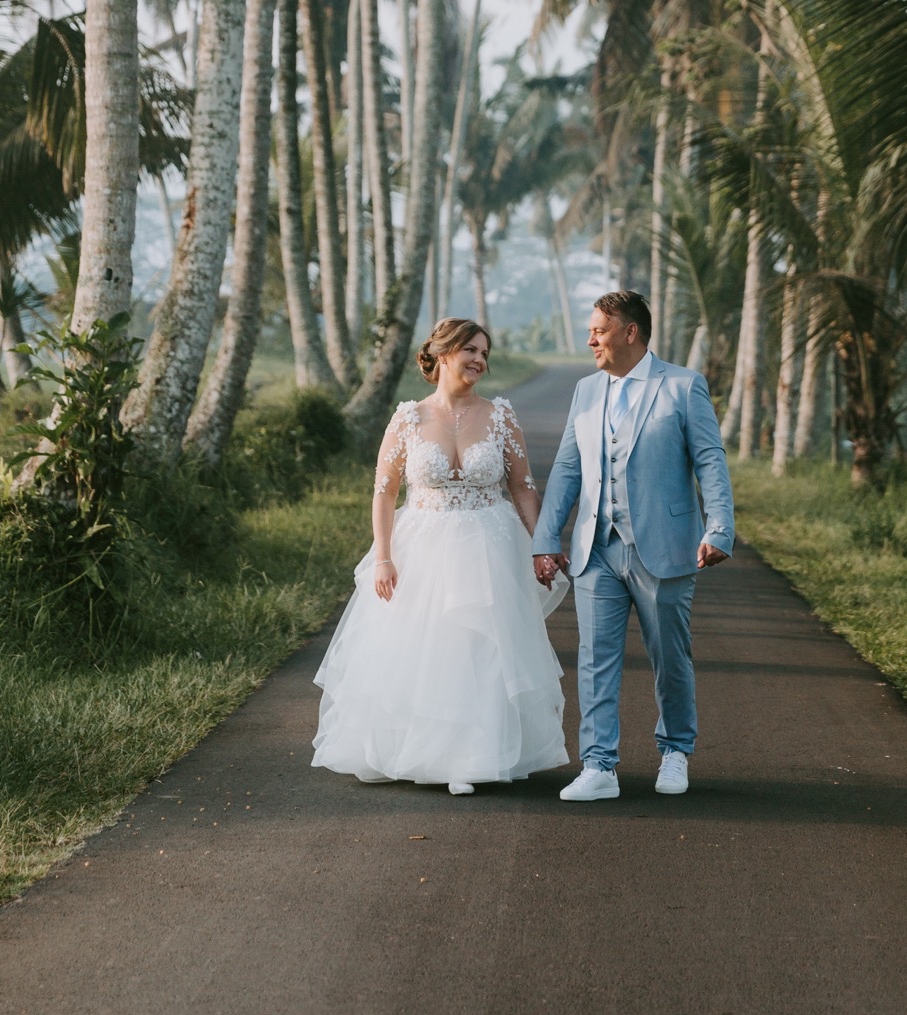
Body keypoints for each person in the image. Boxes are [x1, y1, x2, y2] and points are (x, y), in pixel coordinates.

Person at [312, 318, 568, 795]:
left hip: (490, 543)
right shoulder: (408, 417)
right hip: (423, 544)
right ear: (445, 354)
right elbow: (384, 493)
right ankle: (427, 752)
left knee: (482, 651)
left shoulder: (500, 415)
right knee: (428, 652)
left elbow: (522, 488)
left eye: (485, 354)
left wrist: (543, 544)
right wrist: (384, 557)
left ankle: (473, 758)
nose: (480, 361)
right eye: (471, 350)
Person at [531, 290, 734, 801]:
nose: (590, 339)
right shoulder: (585, 390)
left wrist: (718, 529)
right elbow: (568, 468)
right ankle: (599, 766)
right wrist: (545, 538)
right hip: (596, 546)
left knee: (670, 656)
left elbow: (710, 461)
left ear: (630, 332)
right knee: (596, 658)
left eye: (599, 329)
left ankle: (674, 752)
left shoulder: (683, 386)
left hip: (665, 545)